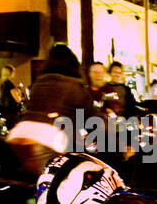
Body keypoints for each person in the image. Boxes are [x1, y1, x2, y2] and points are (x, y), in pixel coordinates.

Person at [6, 45, 95, 177]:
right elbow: (94, 120)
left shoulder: (39, 83)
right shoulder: (75, 86)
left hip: (16, 136)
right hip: (47, 142)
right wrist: (119, 146)